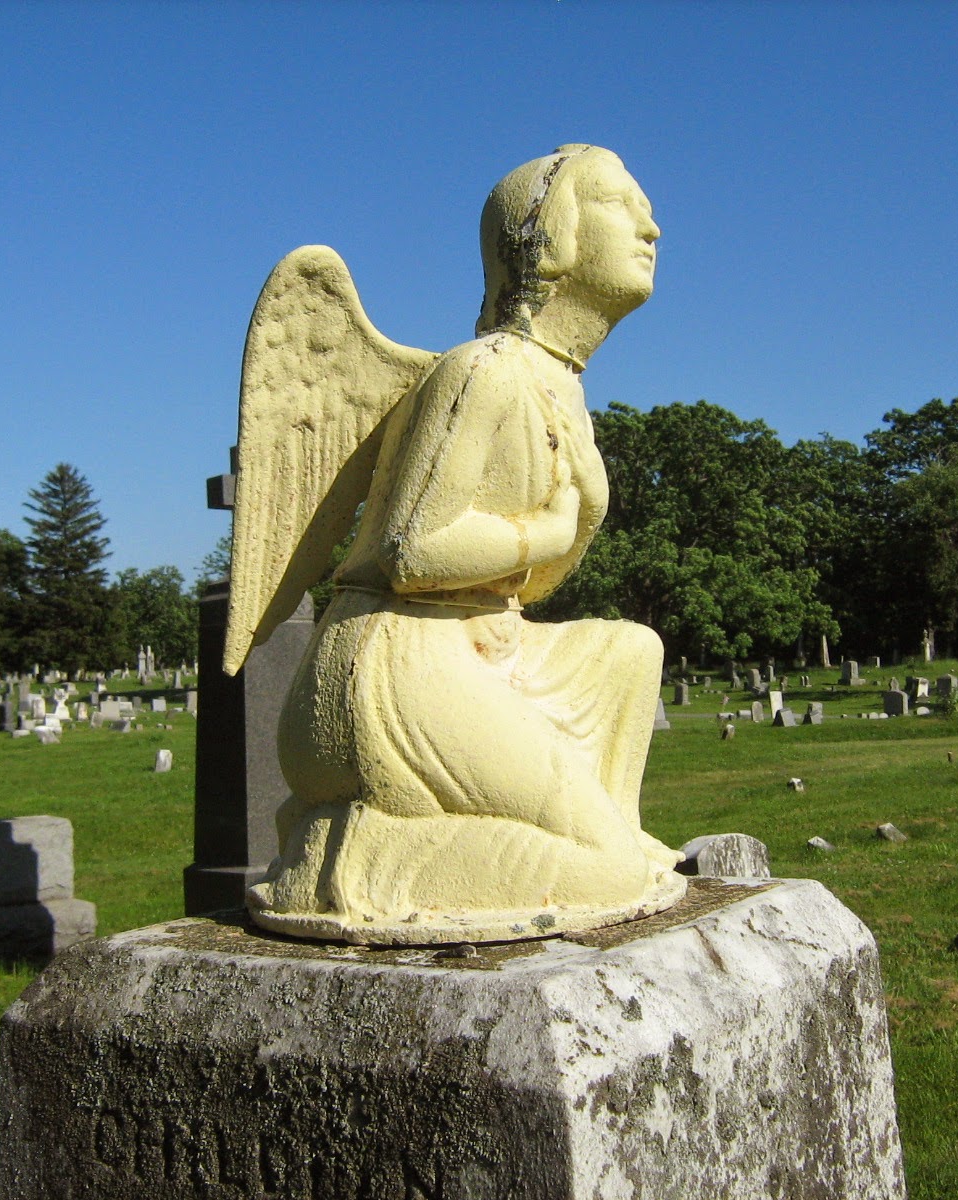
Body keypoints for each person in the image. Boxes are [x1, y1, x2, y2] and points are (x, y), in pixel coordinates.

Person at [249, 146, 685, 941]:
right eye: (624, 203)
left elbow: (531, 587)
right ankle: (345, 856)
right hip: (387, 663)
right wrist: (550, 528)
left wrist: (564, 534)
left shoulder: (561, 386)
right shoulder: (484, 370)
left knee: (630, 651)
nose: (652, 224)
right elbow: (412, 551)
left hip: (483, 642)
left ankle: (603, 835)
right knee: (613, 874)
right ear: (552, 237)